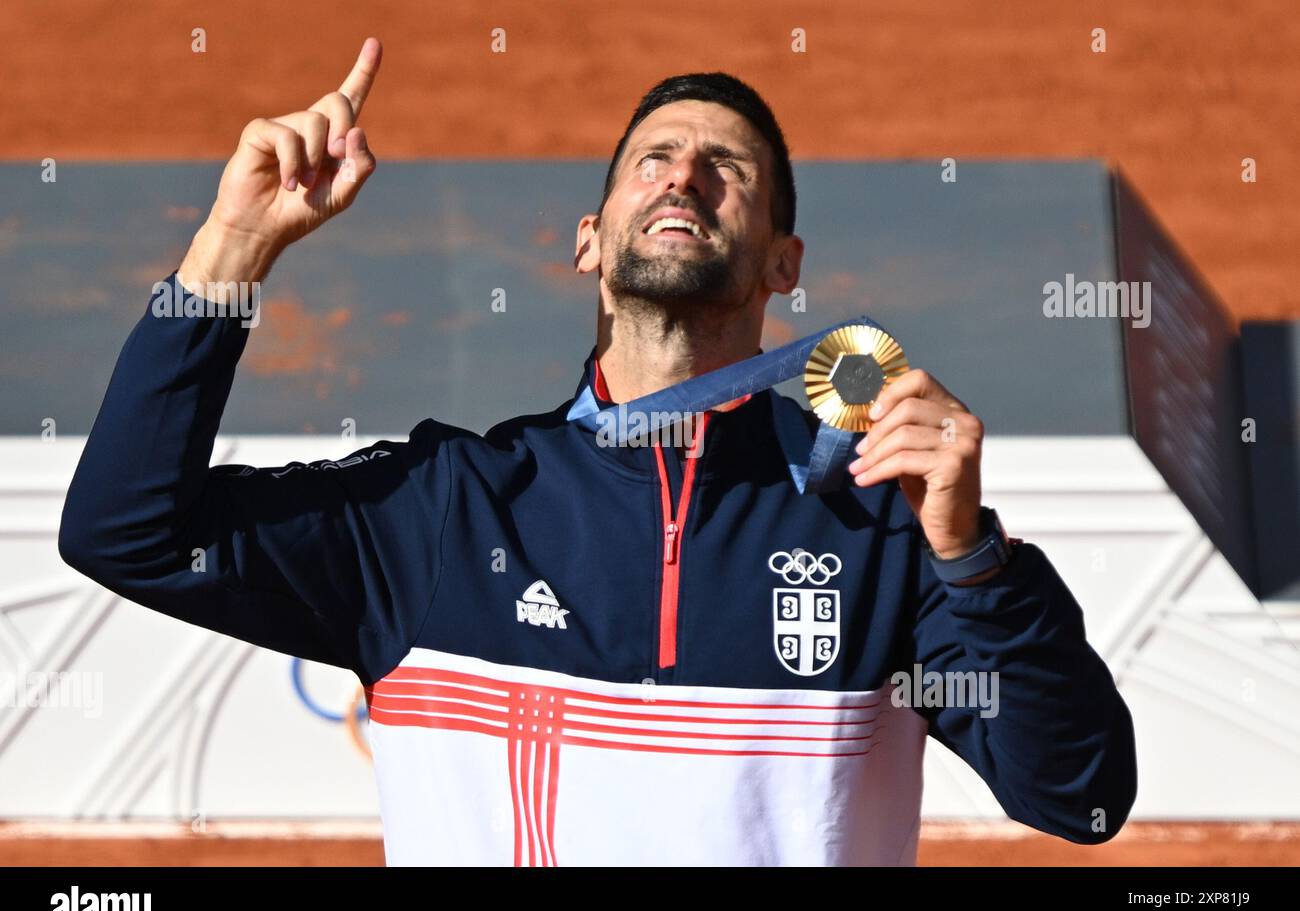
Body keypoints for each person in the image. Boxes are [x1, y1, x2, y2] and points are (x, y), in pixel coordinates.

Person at [59, 37, 1137, 866]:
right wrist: (232, 248)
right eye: (654, 159)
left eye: (728, 168)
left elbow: (1079, 791)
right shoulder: (447, 510)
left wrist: (970, 556)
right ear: (589, 238)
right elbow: (128, 530)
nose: (684, 178)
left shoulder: (874, 520)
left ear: (781, 262)